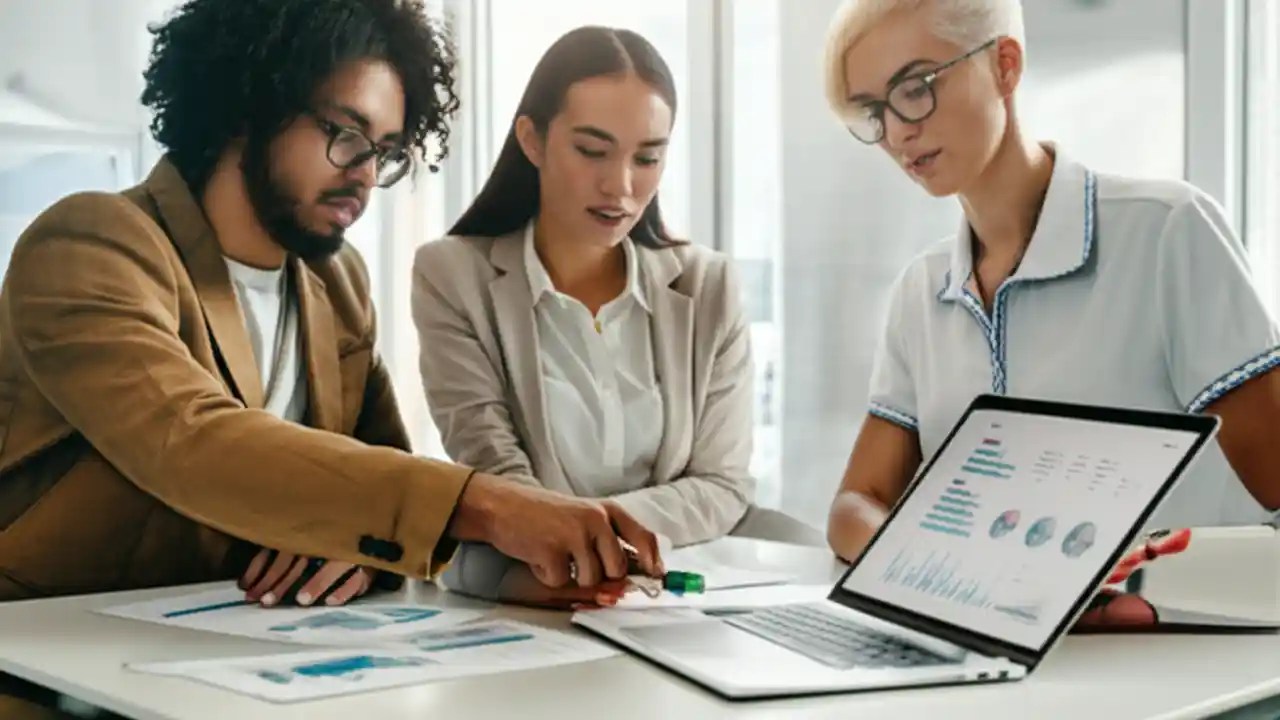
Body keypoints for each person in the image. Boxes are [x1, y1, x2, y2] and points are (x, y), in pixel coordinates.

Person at [0, 0, 662, 615]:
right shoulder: (92, 243)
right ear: (248, 103)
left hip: (241, 656)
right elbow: (191, 439)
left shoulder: (336, 282)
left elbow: (378, 489)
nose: (366, 173)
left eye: (388, 152)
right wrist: (487, 501)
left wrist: (372, 554)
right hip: (51, 661)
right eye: (347, 133)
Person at [820, 0, 1280, 619]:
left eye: (915, 88)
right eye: (874, 109)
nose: (899, 129)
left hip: (1177, 663)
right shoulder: (922, 291)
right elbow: (857, 501)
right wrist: (928, 569)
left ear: (1005, 66)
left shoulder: (1166, 232)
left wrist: (1148, 592)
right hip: (997, 653)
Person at [413, 26, 814, 607]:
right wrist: (567, 539)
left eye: (648, 157)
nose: (621, 186)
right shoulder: (452, 275)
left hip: (689, 578)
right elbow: (496, 473)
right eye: (592, 151)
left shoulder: (708, 285)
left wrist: (593, 529)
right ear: (532, 139)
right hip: (533, 573)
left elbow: (723, 484)